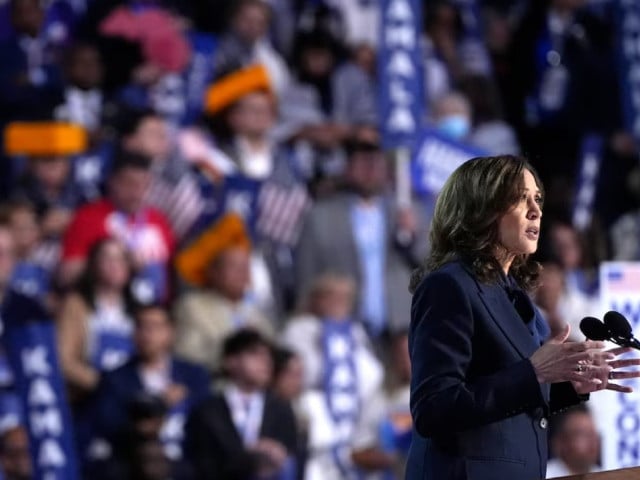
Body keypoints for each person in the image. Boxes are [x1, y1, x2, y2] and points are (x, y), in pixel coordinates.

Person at [405, 155, 640, 480]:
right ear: (480, 207)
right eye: (519, 198)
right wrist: (535, 372)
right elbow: (433, 408)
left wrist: (571, 386)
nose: (536, 210)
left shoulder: (515, 296)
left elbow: (511, 401)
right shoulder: (448, 286)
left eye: (538, 199)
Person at [91, 304, 209, 479]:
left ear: (170, 332)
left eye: (154, 327)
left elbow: (206, 423)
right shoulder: (115, 378)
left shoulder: (193, 376)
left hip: (184, 463)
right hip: (134, 463)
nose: (147, 334)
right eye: (141, 326)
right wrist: (155, 408)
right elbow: (108, 425)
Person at [184, 328, 298, 480]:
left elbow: (292, 458)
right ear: (230, 361)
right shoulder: (207, 412)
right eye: (255, 354)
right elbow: (201, 464)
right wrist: (247, 459)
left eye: (267, 355)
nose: (266, 361)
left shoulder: (281, 409)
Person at [546, 404, 601, 478]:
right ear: (561, 442)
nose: (592, 441)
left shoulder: (607, 476)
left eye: (592, 433)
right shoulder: (544, 475)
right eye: (583, 434)